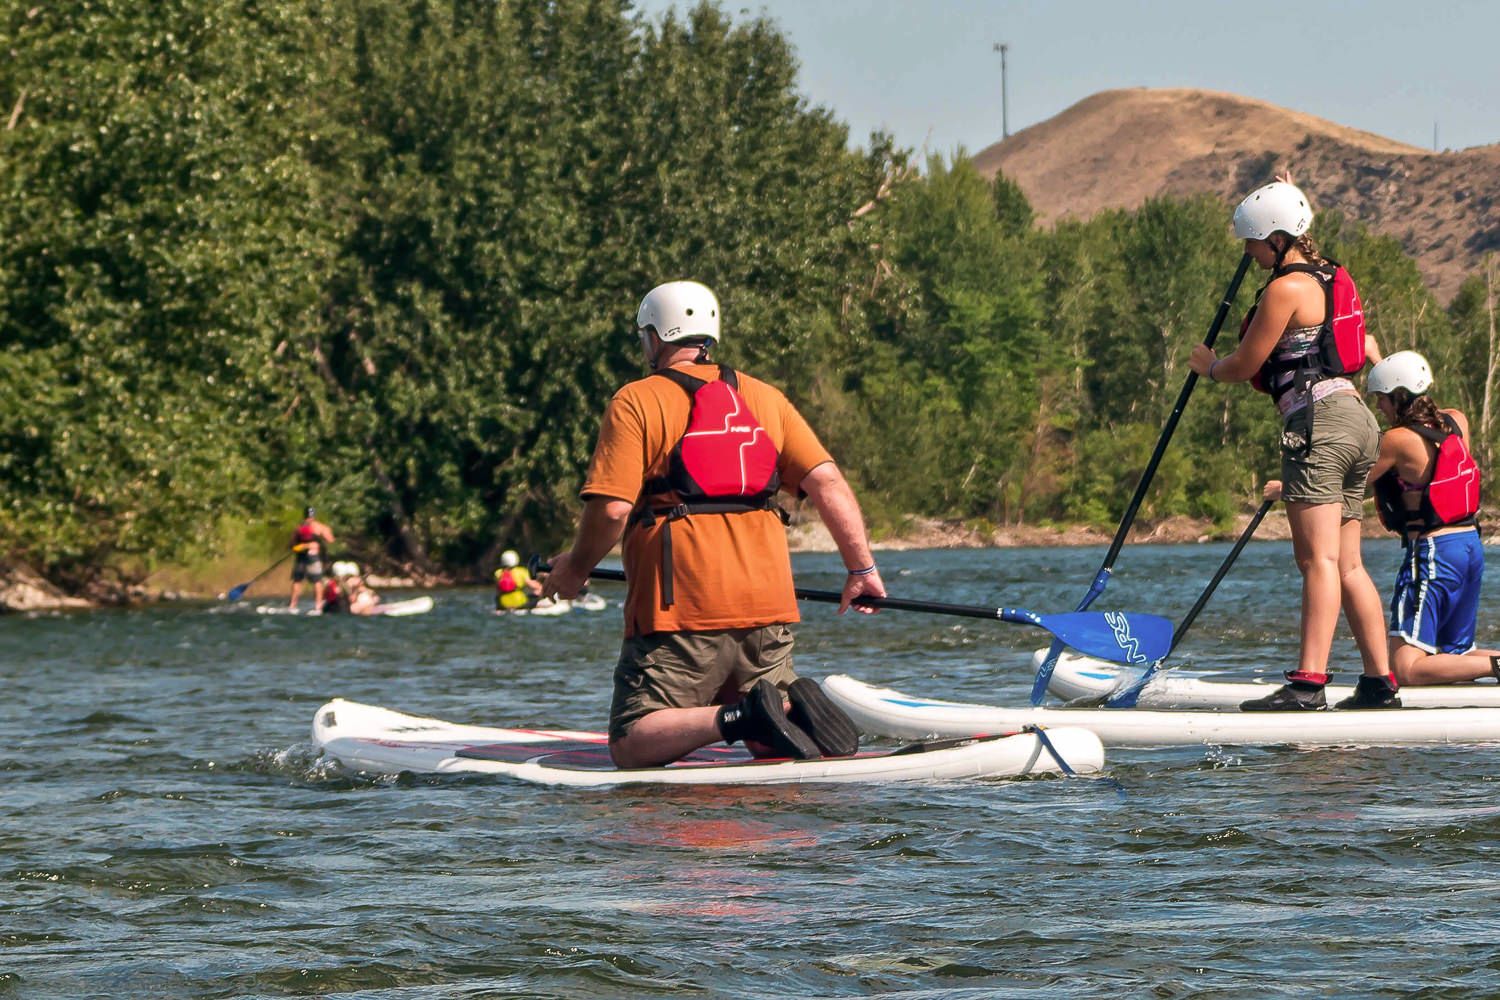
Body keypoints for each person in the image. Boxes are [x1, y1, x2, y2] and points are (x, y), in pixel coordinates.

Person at [539, 279, 881, 767]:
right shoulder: (766, 399)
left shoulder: (636, 401)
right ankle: (783, 706)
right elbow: (827, 482)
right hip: (767, 608)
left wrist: (574, 568)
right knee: (769, 732)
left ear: (655, 337)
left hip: (680, 612)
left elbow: (613, 509)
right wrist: (861, 571)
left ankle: (742, 718)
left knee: (633, 741)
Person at [1189, 178, 1397, 710]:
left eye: (1252, 242)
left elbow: (1245, 365)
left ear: (1277, 239)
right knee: (1348, 564)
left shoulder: (1285, 289)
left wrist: (1207, 367)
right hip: (1356, 419)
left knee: (1317, 561)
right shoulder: (1329, 275)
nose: (1248, 252)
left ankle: (1309, 684)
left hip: (1317, 425)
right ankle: (1379, 682)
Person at [1364, 351, 1495, 684]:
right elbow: (1418, 401)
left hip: (1435, 552)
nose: (1379, 406)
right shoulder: (1457, 420)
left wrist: (1287, 488)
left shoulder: (1397, 441)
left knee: (1404, 668)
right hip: (1469, 546)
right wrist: (1380, 363)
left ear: (1398, 396)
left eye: (1382, 399)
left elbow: (1351, 480)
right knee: (1455, 655)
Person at [289, 506, 335, 610]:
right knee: (317, 581)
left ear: (304, 515)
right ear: (314, 515)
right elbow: (331, 540)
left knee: (297, 581)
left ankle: (293, 604)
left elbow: (291, 545)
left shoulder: (298, 528)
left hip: (300, 557)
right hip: (314, 557)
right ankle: (318, 605)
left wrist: (302, 546)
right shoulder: (321, 527)